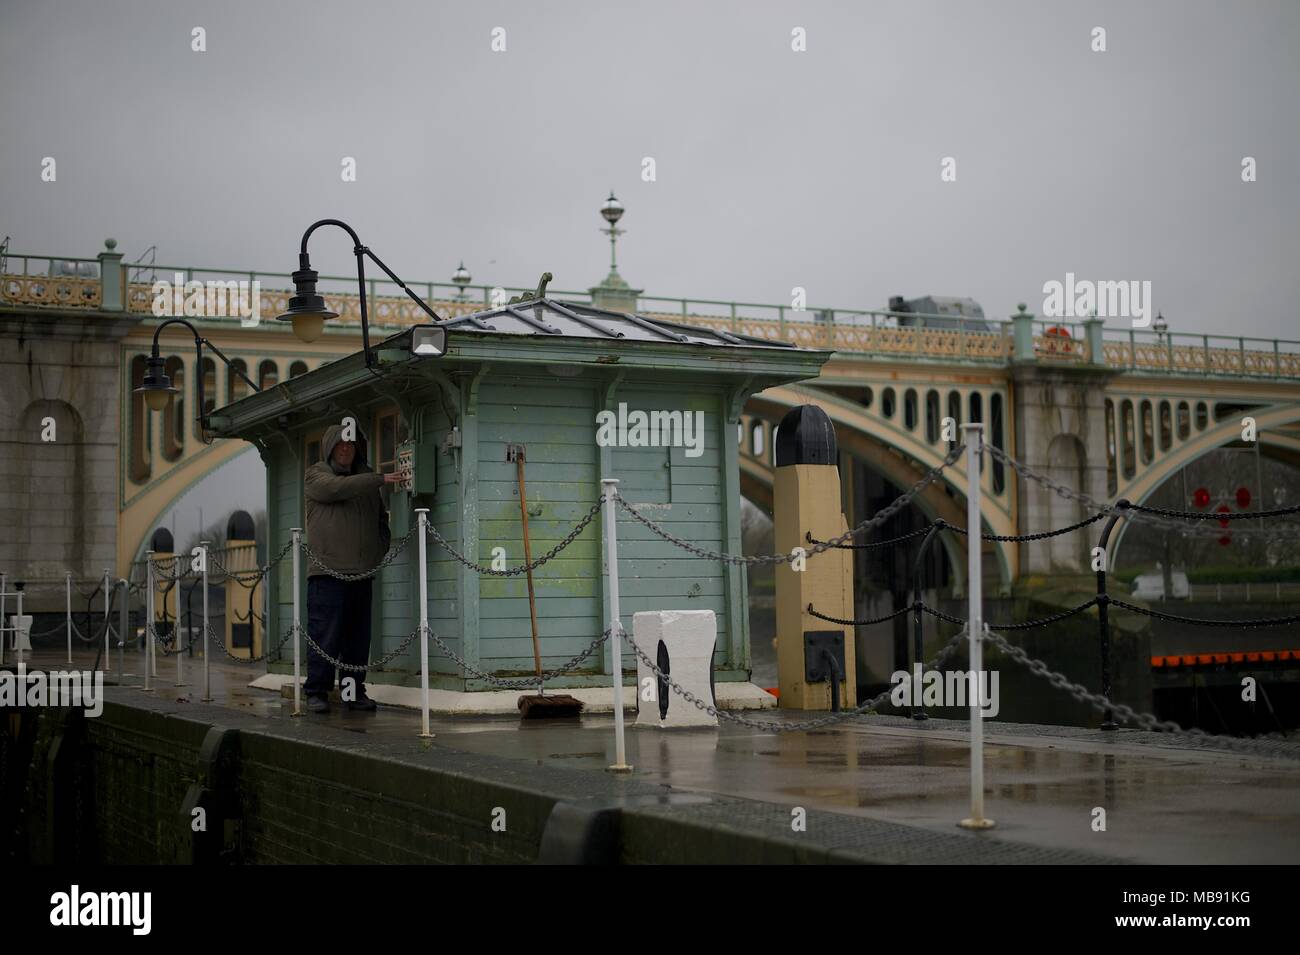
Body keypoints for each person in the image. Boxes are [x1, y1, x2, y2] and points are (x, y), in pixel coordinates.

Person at [303, 422, 403, 713]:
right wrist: (380, 478)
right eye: (341, 443)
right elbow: (337, 489)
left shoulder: (368, 482)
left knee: (357, 641)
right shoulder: (316, 475)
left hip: (361, 574)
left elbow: (380, 522)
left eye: (351, 443)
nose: (346, 448)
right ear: (330, 446)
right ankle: (316, 692)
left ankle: (353, 692)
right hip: (327, 575)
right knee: (325, 636)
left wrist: (376, 552)